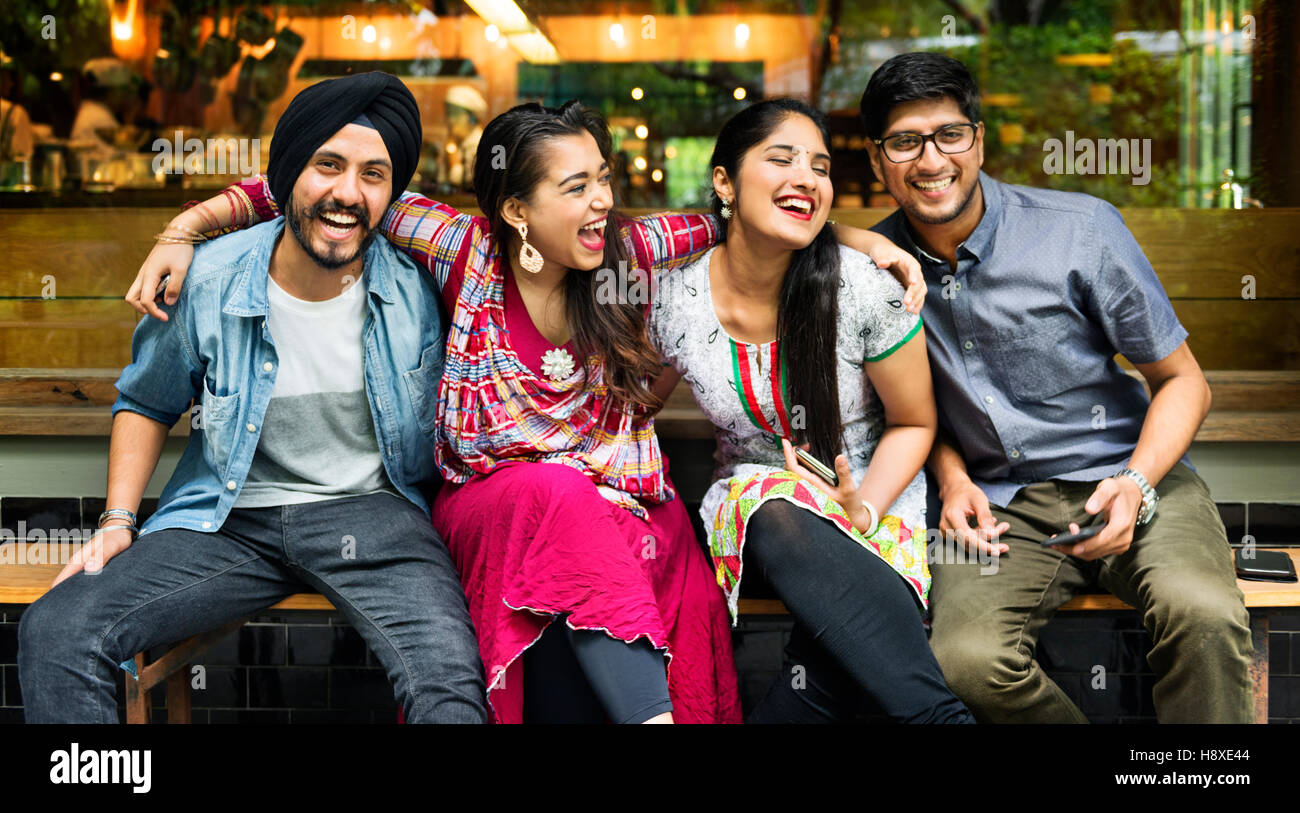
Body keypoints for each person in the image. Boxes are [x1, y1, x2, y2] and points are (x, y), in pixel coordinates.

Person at [124, 98, 927, 724]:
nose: (601, 203)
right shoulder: (461, 248)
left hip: (610, 511)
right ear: (516, 210)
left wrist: (859, 236)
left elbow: (751, 218)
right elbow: (310, 185)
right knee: (556, 491)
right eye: (576, 187)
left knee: (649, 528)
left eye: (605, 181)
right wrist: (184, 229)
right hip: (496, 506)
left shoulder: (626, 252)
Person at [19, 72, 487, 723]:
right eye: (328, 164)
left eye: (373, 174)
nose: (348, 193)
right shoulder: (208, 278)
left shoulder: (420, 291)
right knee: (58, 631)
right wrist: (117, 522)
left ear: (392, 193)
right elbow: (147, 401)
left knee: (449, 683)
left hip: (372, 518)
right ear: (288, 174)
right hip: (227, 520)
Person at [862, 52, 1253, 723]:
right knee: (966, 659)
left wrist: (1136, 482)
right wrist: (952, 480)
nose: (931, 160)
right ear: (877, 161)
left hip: (1133, 475)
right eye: (905, 141)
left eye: (950, 134)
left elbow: (1184, 382)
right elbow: (909, 414)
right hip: (996, 504)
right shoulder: (871, 271)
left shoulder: (1081, 231)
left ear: (979, 140)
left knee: (1206, 615)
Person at [649, 98, 974, 723]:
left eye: (820, 167)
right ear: (724, 181)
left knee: (825, 677)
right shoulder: (676, 300)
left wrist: (866, 507)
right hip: (762, 521)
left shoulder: (861, 287)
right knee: (769, 502)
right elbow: (634, 411)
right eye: (782, 159)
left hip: (878, 497)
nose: (807, 177)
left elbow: (914, 422)